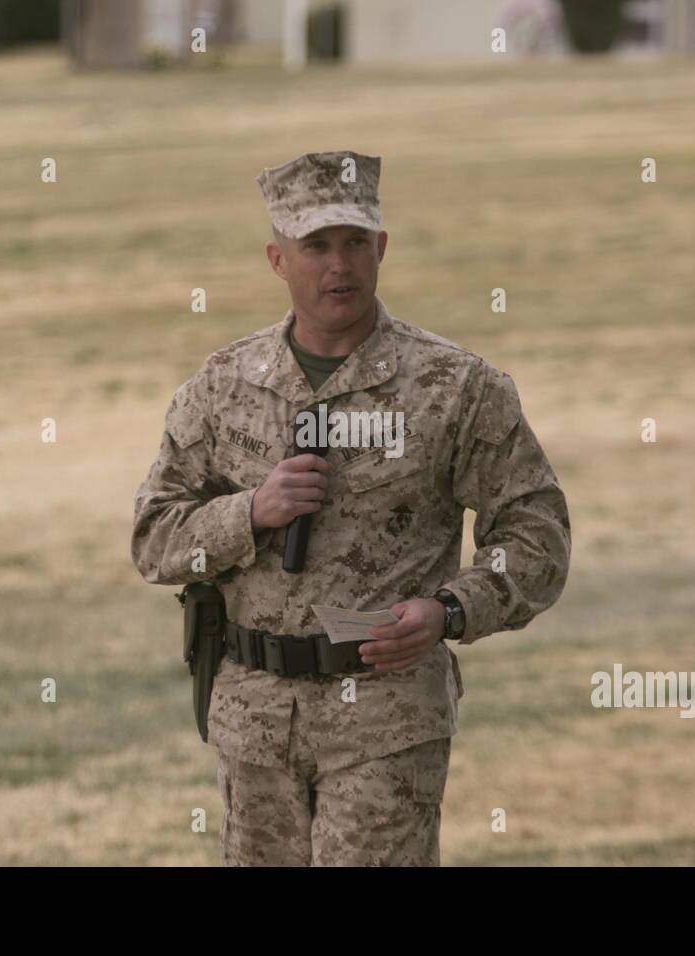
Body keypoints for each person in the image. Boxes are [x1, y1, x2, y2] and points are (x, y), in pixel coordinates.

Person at [131, 149, 571, 865]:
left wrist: (452, 611)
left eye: (355, 243)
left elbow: (536, 535)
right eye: (317, 247)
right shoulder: (223, 386)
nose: (340, 265)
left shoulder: (455, 387)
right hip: (254, 725)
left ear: (382, 248)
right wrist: (248, 513)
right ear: (278, 258)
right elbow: (153, 537)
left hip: (387, 721)